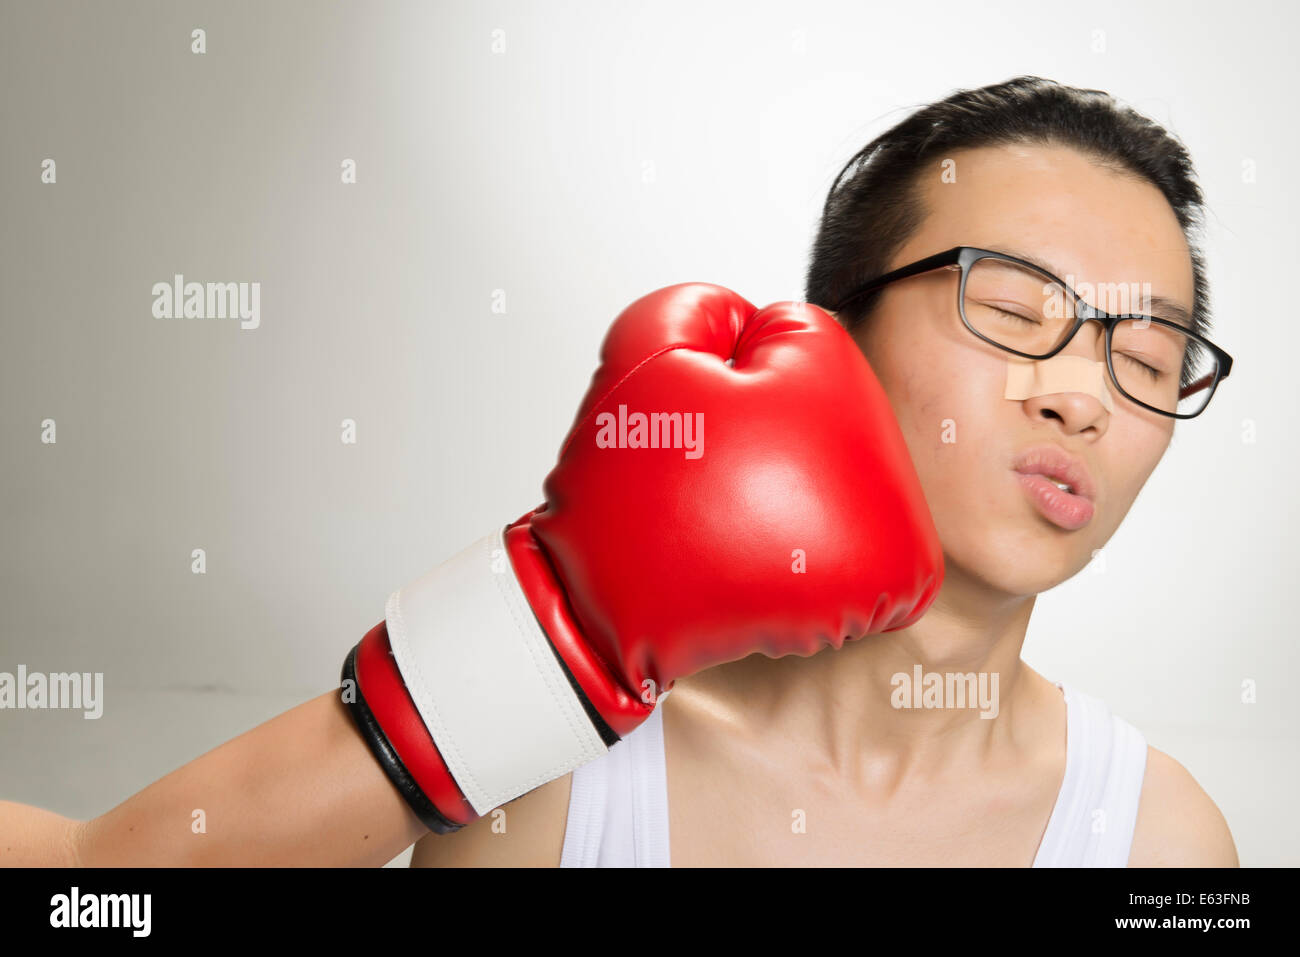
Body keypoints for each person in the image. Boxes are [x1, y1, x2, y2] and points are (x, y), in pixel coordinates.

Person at [0, 76, 1238, 868]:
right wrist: (536, 649)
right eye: (1012, 305)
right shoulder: (560, 784)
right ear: (828, 339)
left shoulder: (1160, 845)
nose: (1081, 393)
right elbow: (88, 896)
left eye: (1150, 351)